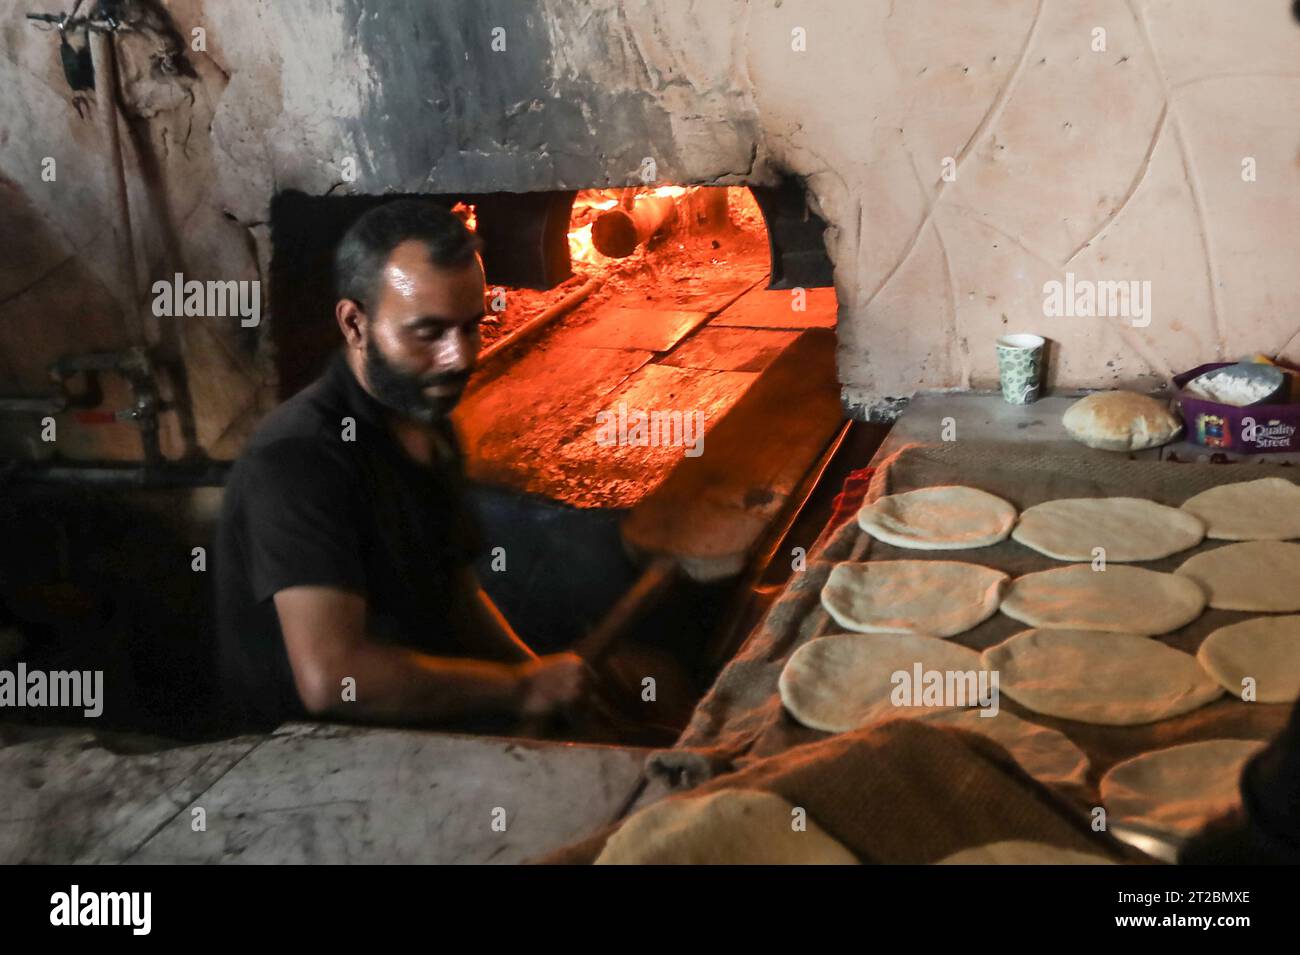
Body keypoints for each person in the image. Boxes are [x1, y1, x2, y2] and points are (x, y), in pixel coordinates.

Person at [214, 199, 587, 731]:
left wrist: (537, 678)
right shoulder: (300, 460)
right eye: (429, 332)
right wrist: (517, 690)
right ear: (355, 324)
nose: (460, 357)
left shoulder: (423, 417)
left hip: (423, 716)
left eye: (471, 327)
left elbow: (457, 593)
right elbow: (333, 679)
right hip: (315, 759)